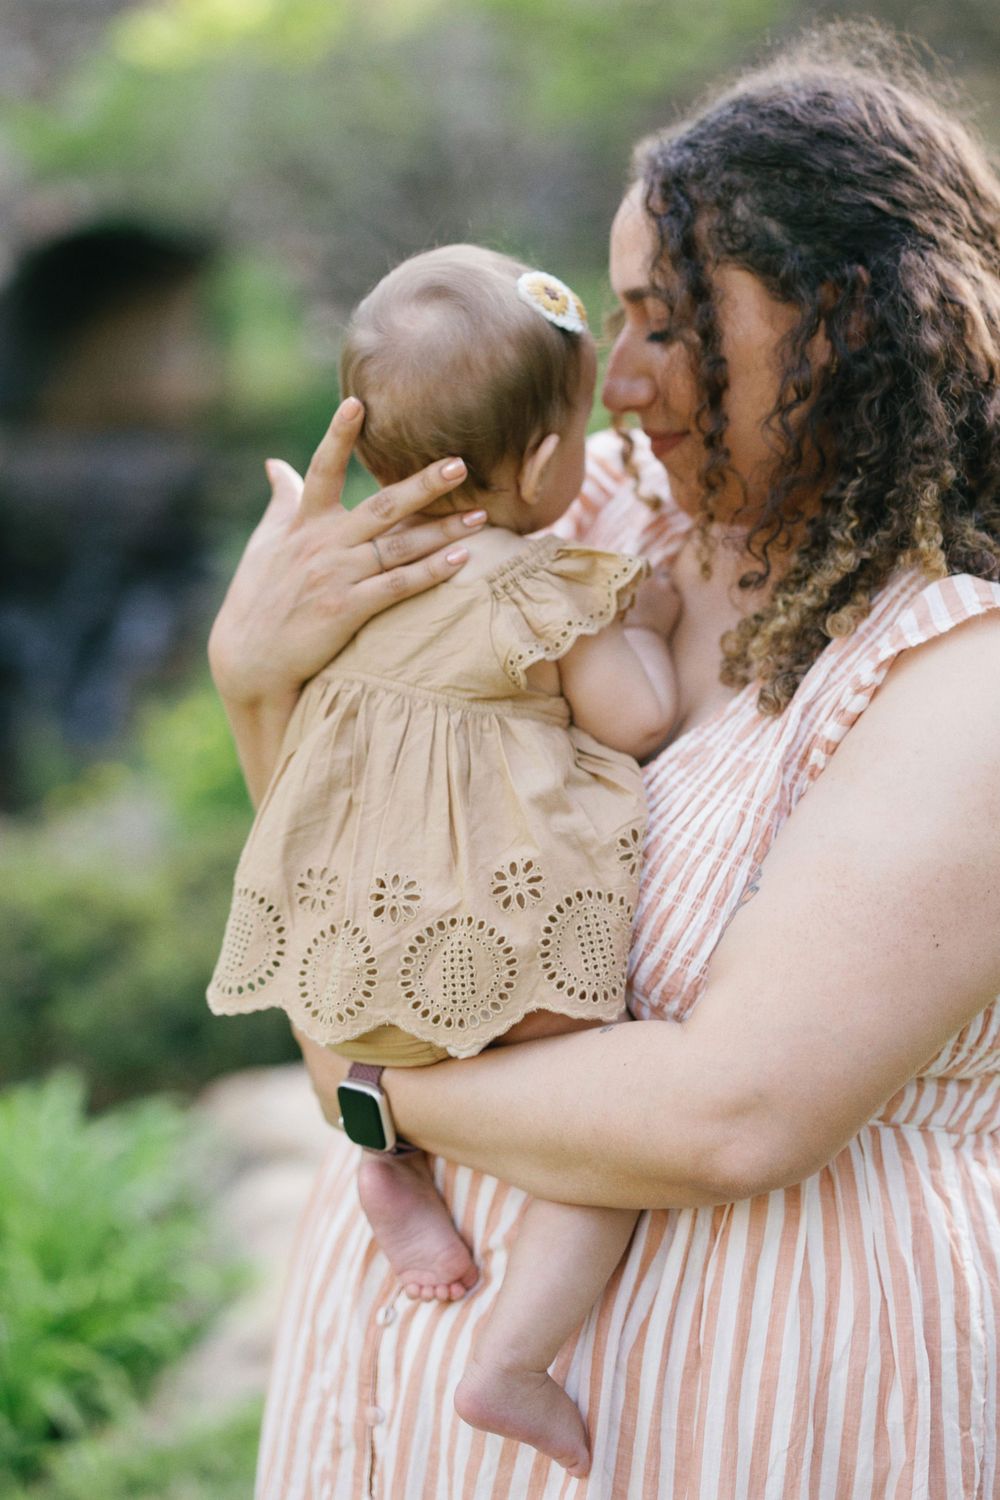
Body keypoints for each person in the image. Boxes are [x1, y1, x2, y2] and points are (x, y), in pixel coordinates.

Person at [207, 25, 1000, 1500]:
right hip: (396, 1391)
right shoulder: (593, 533)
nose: (621, 384)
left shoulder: (964, 669)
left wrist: (384, 1098)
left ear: (848, 320)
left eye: (666, 320)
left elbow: (730, 1115)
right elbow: (358, 887)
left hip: (762, 1402)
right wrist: (256, 683)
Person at [207, 244, 678, 1476]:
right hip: (498, 945)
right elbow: (636, 719)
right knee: (611, 1121)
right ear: (542, 463)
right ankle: (515, 1357)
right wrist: (638, 625)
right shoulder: (542, 580)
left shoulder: (358, 584)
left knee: (401, 1060)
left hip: (359, 960)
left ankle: (390, 1170)